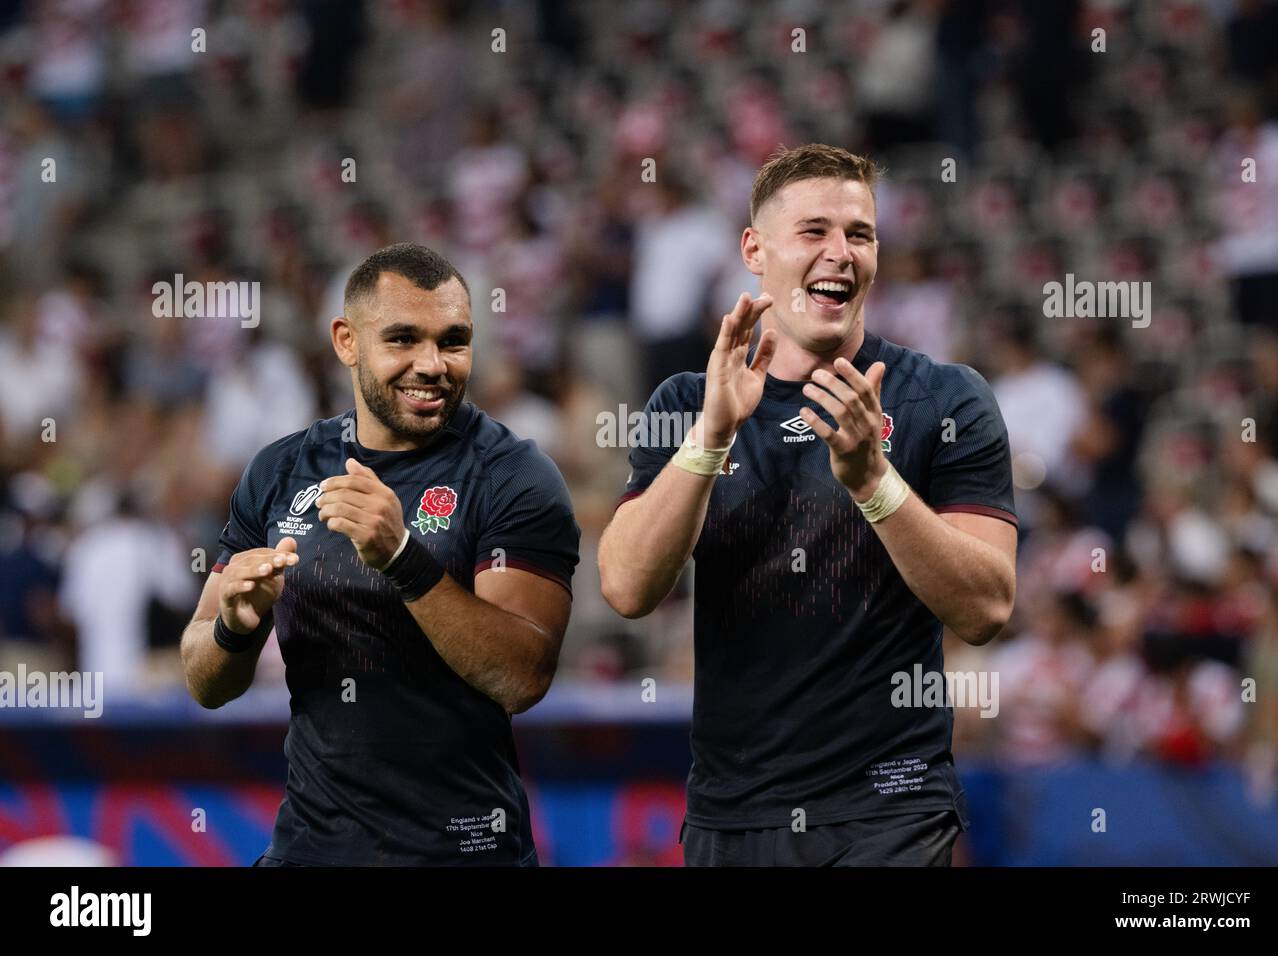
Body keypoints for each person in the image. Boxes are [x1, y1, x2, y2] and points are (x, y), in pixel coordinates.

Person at [598, 144, 1018, 866]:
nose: (841, 253)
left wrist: (875, 484)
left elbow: (986, 607)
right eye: (814, 231)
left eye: (860, 234)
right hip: (732, 815)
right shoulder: (687, 403)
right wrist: (710, 438)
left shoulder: (945, 399)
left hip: (889, 811)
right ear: (754, 250)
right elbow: (627, 587)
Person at [180, 242, 579, 866]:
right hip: (309, 851)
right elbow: (205, 682)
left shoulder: (514, 475)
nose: (433, 364)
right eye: (403, 339)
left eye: (453, 341)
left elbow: (522, 678)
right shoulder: (279, 470)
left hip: (461, 853)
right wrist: (233, 624)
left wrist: (402, 558)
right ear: (347, 341)